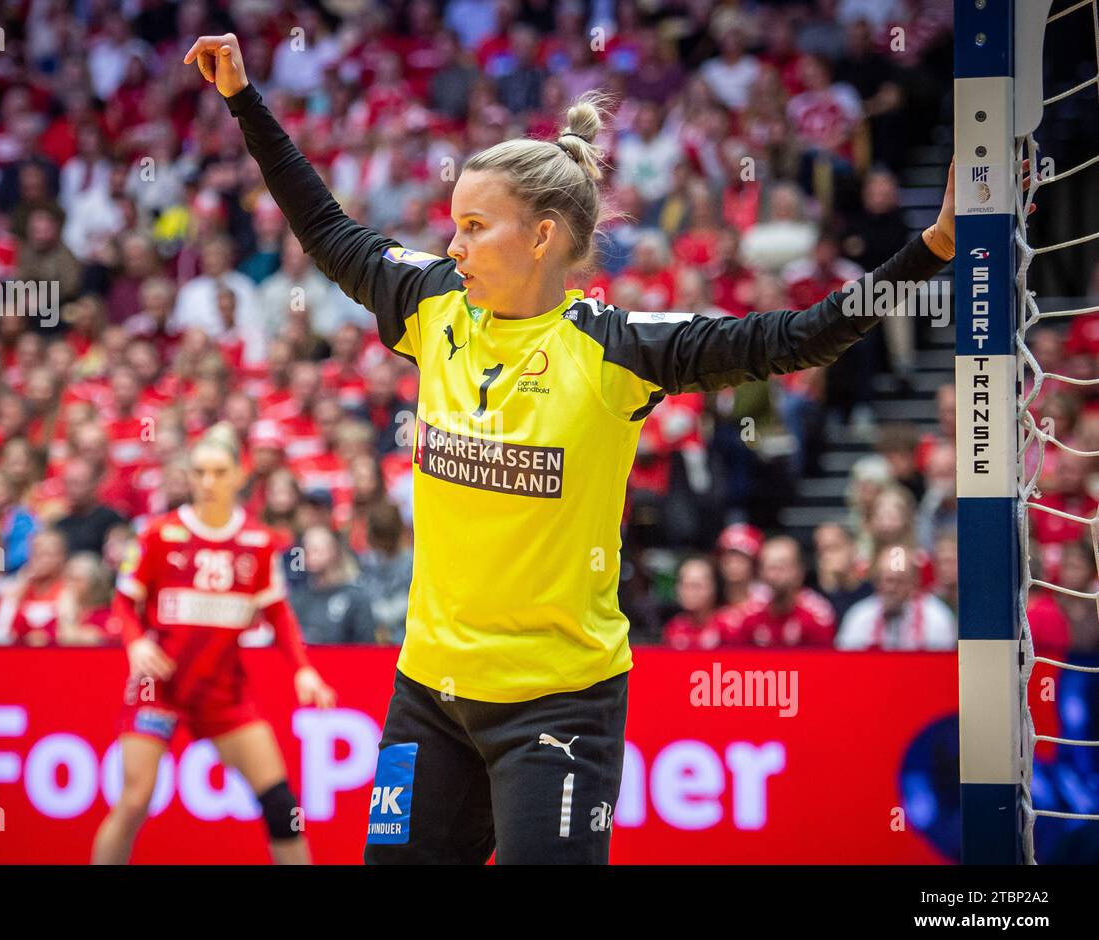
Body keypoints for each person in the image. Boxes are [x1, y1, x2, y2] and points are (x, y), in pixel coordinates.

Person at [183, 32, 958, 864]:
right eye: (455, 226)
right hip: (429, 696)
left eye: (476, 227)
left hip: (558, 707)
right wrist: (243, 99)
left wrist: (933, 248)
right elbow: (324, 228)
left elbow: (798, 335)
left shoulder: (617, 349)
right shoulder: (432, 305)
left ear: (544, 236)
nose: (454, 246)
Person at [91, 424, 335, 865]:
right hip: (159, 690)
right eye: (199, 472)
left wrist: (302, 668)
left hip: (223, 692)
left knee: (282, 807)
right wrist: (134, 645)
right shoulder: (159, 535)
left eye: (219, 472)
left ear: (240, 475)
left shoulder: (259, 543)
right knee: (133, 802)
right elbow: (125, 603)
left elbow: (278, 613)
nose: (207, 482)